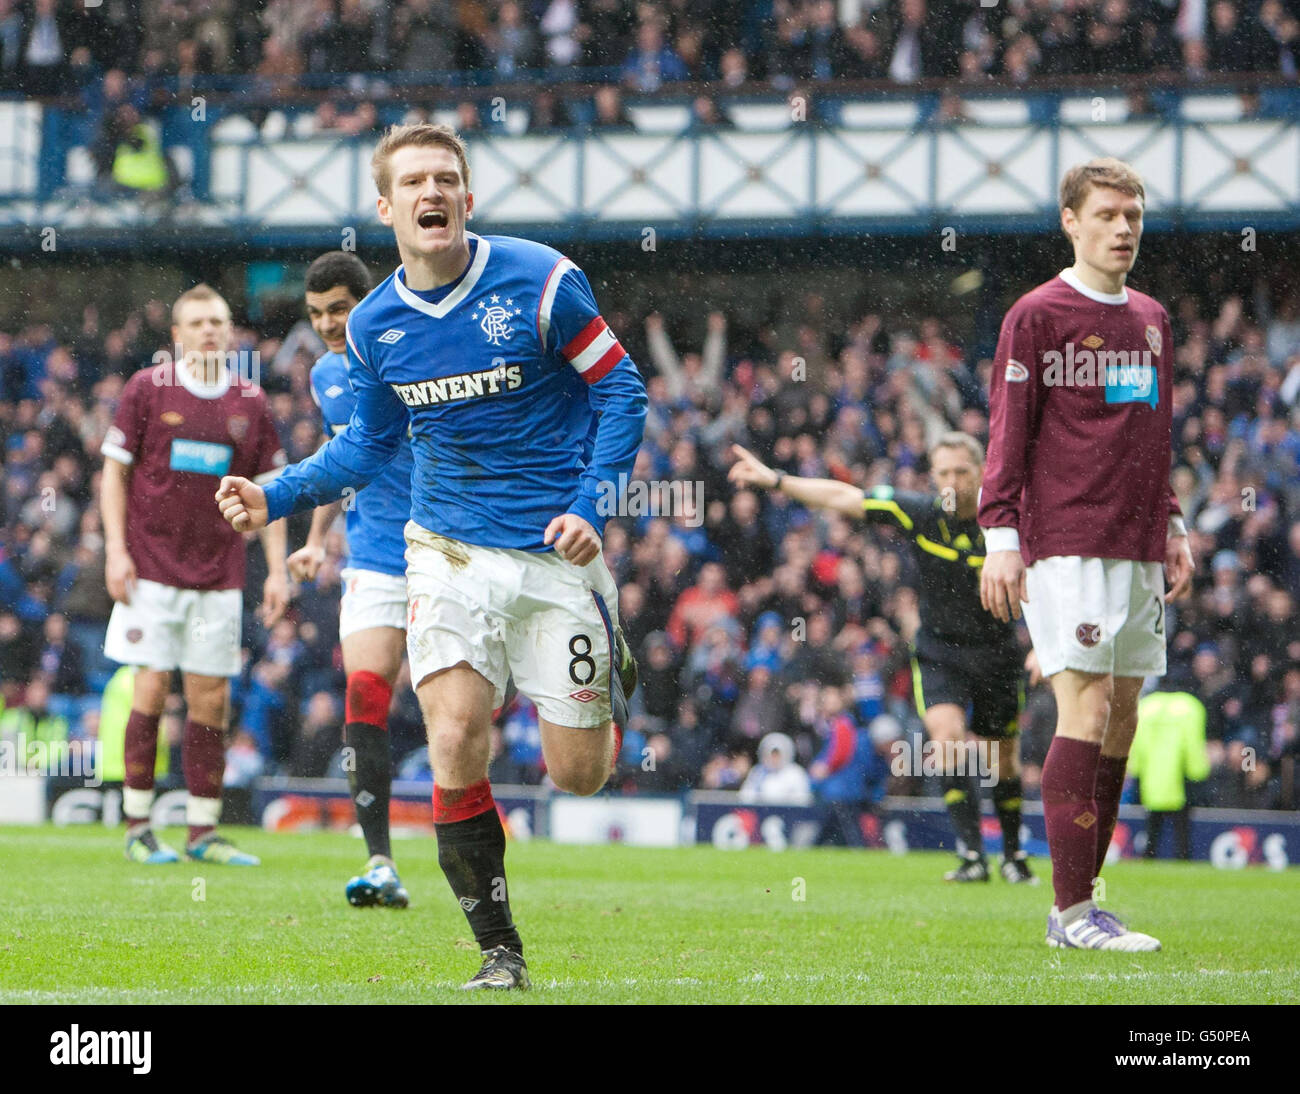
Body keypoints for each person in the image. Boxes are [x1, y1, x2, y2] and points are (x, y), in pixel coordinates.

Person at [215, 123, 647, 990]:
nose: (431, 192)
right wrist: (275, 492)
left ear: (467, 197)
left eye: (446, 178)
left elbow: (621, 386)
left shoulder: (543, 281)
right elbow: (364, 451)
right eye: (413, 181)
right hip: (445, 551)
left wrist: (592, 504)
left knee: (580, 777)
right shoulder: (374, 328)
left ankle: (608, 672)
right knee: (454, 734)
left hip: (557, 554)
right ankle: (499, 950)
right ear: (386, 208)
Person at [978, 157, 1194, 951]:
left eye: (1133, 215)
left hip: (1137, 543)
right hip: (1066, 543)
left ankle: (1086, 904)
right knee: (1088, 708)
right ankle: (1072, 916)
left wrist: (1171, 523)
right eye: (1106, 214)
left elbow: (1153, 434)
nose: (1124, 228)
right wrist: (1002, 537)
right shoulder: (1036, 316)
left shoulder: (1152, 320)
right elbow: (1009, 432)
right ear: (1070, 221)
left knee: (1123, 716)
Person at [729, 432, 1035, 884]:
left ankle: (1012, 853)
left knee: (1002, 758)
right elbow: (844, 496)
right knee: (947, 740)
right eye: (943, 472)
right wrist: (776, 480)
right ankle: (972, 856)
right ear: (933, 476)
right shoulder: (921, 512)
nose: (951, 481)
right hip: (939, 651)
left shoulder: (1006, 525)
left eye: (961, 472)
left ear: (981, 473)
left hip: (998, 654)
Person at [101, 284, 288, 866]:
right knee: (152, 688)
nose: (210, 330)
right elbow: (113, 474)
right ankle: (137, 825)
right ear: (177, 335)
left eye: (219, 321)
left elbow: (269, 493)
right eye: (198, 322)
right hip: (150, 572)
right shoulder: (146, 390)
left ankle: (203, 833)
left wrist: (278, 572)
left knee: (211, 701)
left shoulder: (251, 402)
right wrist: (115, 550)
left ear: (230, 332)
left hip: (220, 575)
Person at [287, 250, 416, 909]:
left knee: (465, 713)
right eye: (316, 315)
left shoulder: (416, 354)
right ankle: (380, 863)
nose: (329, 324)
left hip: (452, 550)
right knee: (365, 693)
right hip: (373, 554)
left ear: (367, 302)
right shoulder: (326, 375)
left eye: (339, 309)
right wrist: (316, 540)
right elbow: (344, 459)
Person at [1129, 685, 1210, 860]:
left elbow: (1137, 746)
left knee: (1152, 826)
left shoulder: (1146, 707)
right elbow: (1194, 745)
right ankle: (1182, 858)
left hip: (1152, 778)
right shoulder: (1189, 707)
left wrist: (1135, 771)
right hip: (1179, 779)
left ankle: (1148, 858)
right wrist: (1198, 773)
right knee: (1181, 827)